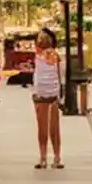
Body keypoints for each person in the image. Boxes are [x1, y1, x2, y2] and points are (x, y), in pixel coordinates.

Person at [31, 29, 63, 169]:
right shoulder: (56, 56)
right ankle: (56, 157)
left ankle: (43, 157)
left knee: (42, 128)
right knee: (54, 128)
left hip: (40, 93)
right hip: (53, 93)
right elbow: (60, 75)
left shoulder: (37, 56)